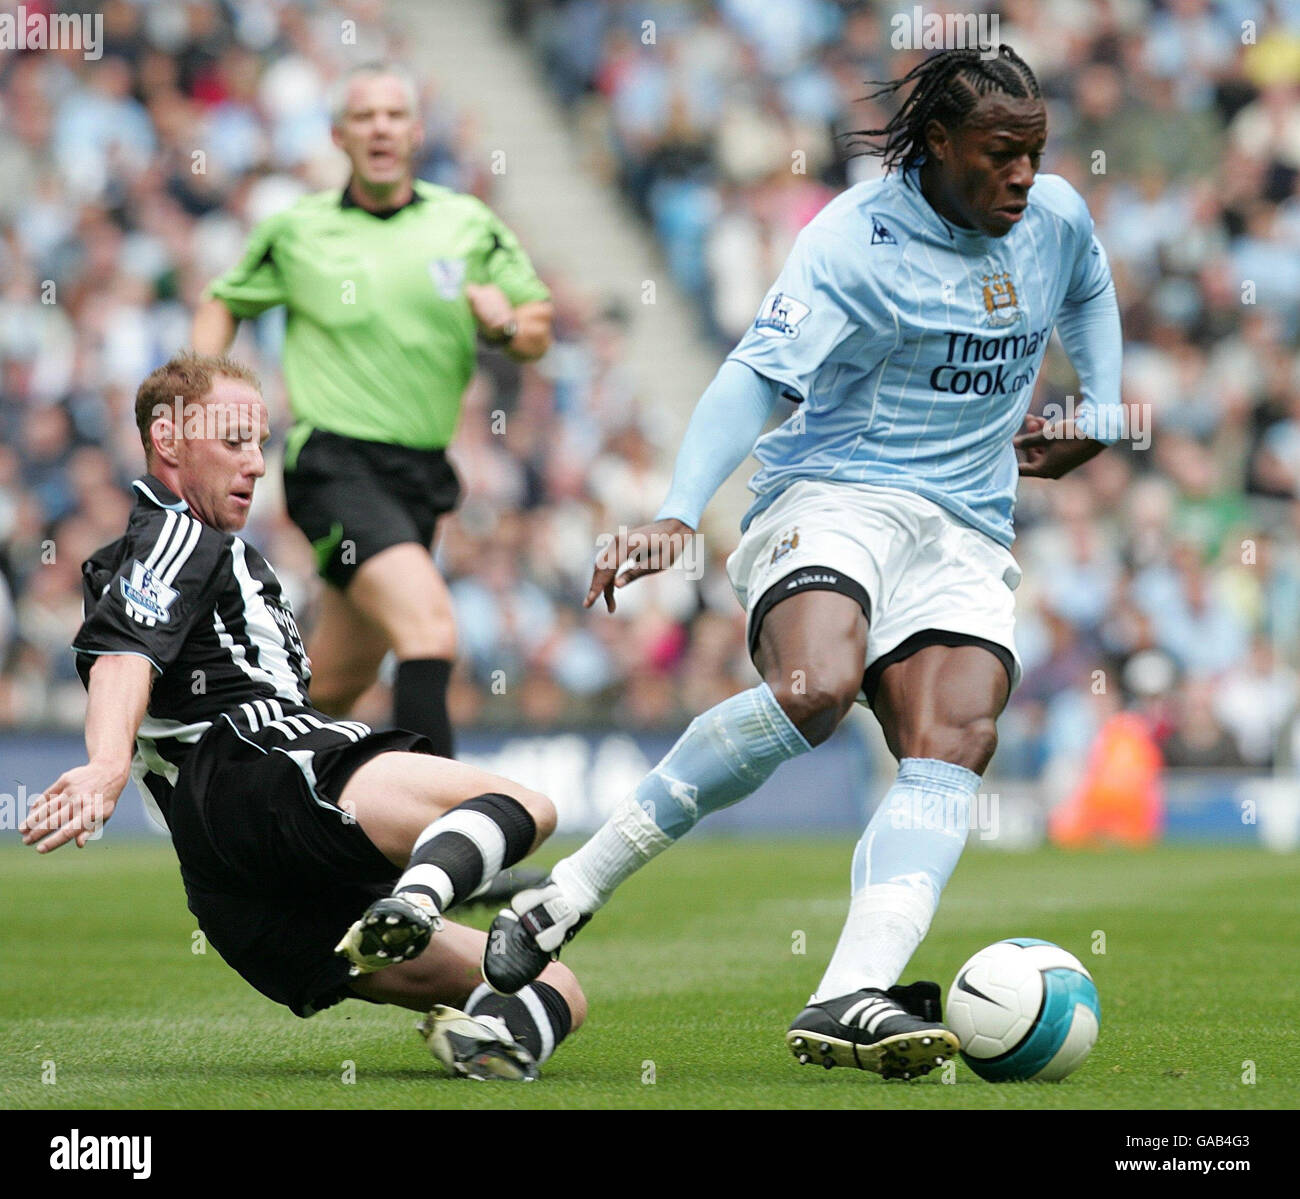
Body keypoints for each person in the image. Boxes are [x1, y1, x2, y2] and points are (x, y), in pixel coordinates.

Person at [481, 46, 1125, 1080]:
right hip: (834, 496)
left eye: (1034, 155)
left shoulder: (1052, 218)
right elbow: (752, 374)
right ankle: (568, 891)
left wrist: (1098, 404)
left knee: (954, 734)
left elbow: (1090, 287)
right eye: (1000, 155)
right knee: (814, 687)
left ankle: (844, 993)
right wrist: (678, 511)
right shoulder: (854, 240)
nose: (1021, 177)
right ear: (940, 146)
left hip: (964, 525)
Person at [19, 353, 584, 1081]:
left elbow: (143, 649)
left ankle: (482, 1031)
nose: (255, 464)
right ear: (168, 441)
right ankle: (419, 895)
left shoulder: (173, 556)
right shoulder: (176, 533)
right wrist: (106, 762)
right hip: (261, 773)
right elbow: (126, 655)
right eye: (232, 441)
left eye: (260, 442)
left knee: (550, 982)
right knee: (523, 806)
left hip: (239, 902)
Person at [192, 62, 553, 761]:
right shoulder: (300, 230)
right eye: (364, 116)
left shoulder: (465, 223)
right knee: (430, 629)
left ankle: (230, 780)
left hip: (419, 474)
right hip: (333, 461)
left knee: (337, 678)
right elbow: (224, 300)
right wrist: (206, 392)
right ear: (338, 135)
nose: (380, 127)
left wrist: (508, 324)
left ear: (416, 133)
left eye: (394, 115)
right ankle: (445, 842)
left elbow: (537, 325)